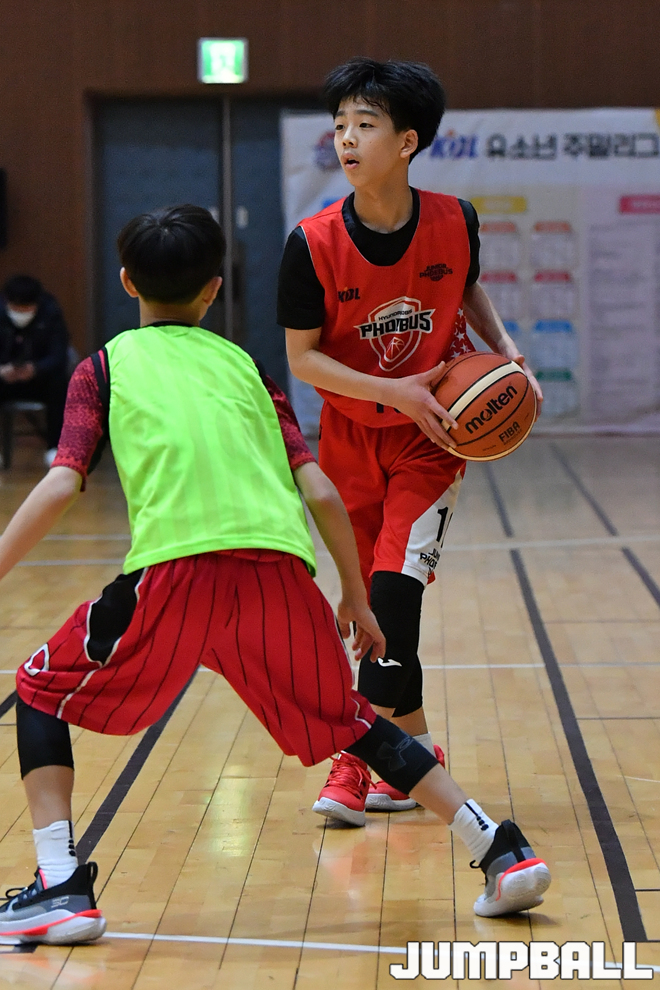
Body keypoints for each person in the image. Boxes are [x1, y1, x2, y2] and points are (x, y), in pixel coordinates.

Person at [0, 204, 549, 947]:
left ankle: (58, 886)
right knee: (356, 723)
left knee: (38, 692)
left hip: (177, 570)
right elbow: (319, 488)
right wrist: (354, 594)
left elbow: (65, 482)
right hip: (280, 575)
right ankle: (502, 849)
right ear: (215, 290)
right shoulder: (249, 368)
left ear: (127, 281)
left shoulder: (102, 367)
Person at [280, 58, 543, 821]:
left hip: (432, 442)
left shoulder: (455, 220)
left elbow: (465, 288)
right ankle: (414, 758)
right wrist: (390, 389)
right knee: (370, 618)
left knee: (394, 607)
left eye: (364, 125)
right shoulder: (313, 242)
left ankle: (353, 765)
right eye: (338, 126)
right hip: (351, 441)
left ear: (407, 141)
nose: (346, 139)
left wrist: (507, 349)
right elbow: (304, 358)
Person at [0, 275, 70, 466]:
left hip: (40, 380)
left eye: (26, 308)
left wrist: (36, 369)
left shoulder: (51, 314)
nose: (20, 313)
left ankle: (55, 448)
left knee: (60, 384)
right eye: (16, 308)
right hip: (5, 380)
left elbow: (59, 356)